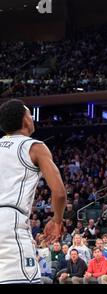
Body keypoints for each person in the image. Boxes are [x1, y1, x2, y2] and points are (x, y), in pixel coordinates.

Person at [0, 99, 66, 284]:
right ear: (25, 120)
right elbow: (59, 192)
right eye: (30, 114)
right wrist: (57, 220)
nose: (32, 117)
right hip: (10, 221)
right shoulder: (34, 147)